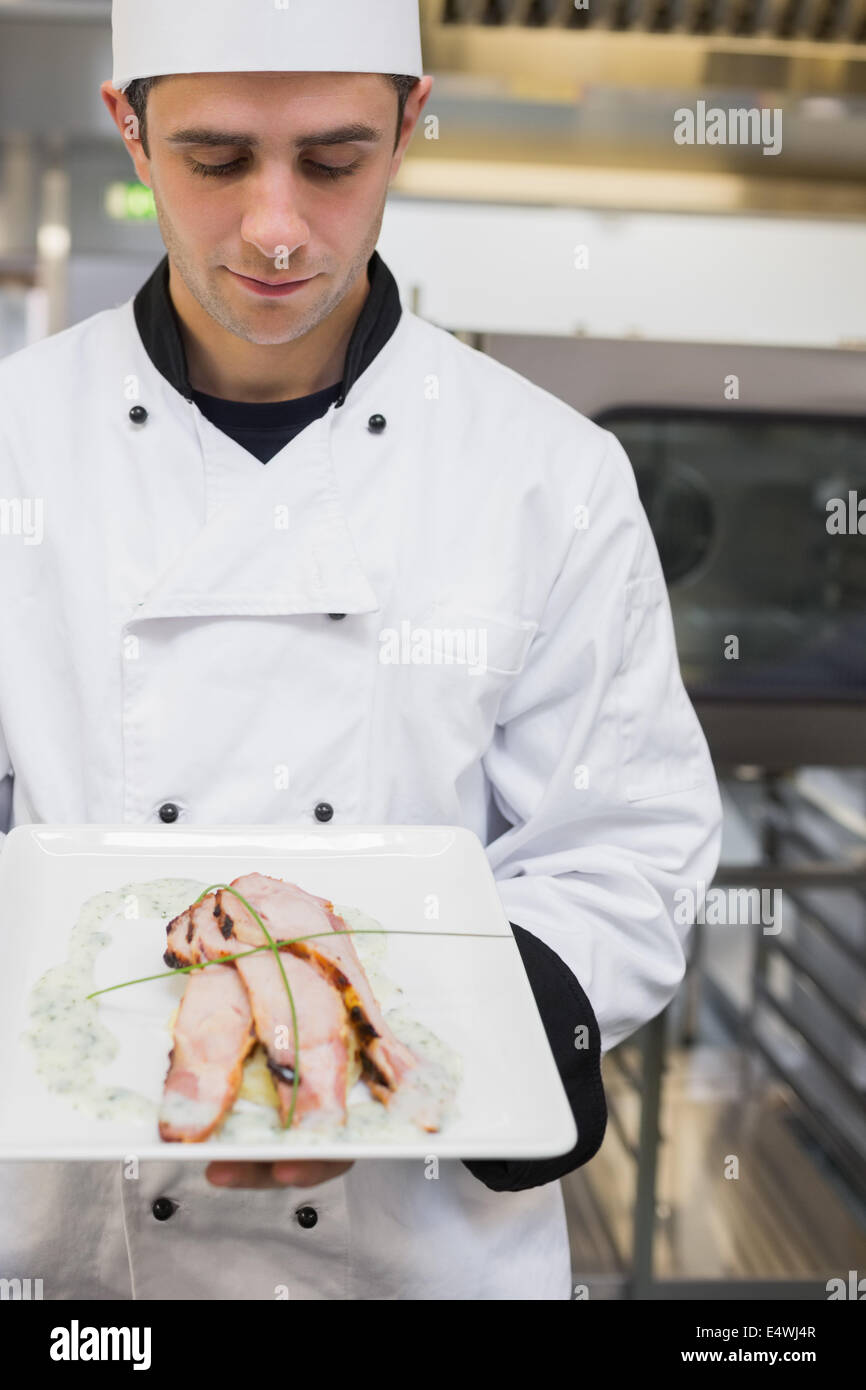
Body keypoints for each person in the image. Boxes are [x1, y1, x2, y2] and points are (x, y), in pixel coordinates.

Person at [0, 0, 722, 1300]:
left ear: (408, 123)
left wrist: (396, 1028)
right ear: (128, 129)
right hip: (76, 1264)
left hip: (418, 1255)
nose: (276, 227)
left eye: (333, 161)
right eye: (216, 159)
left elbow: (624, 851)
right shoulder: (15, 448)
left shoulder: (546, 473)